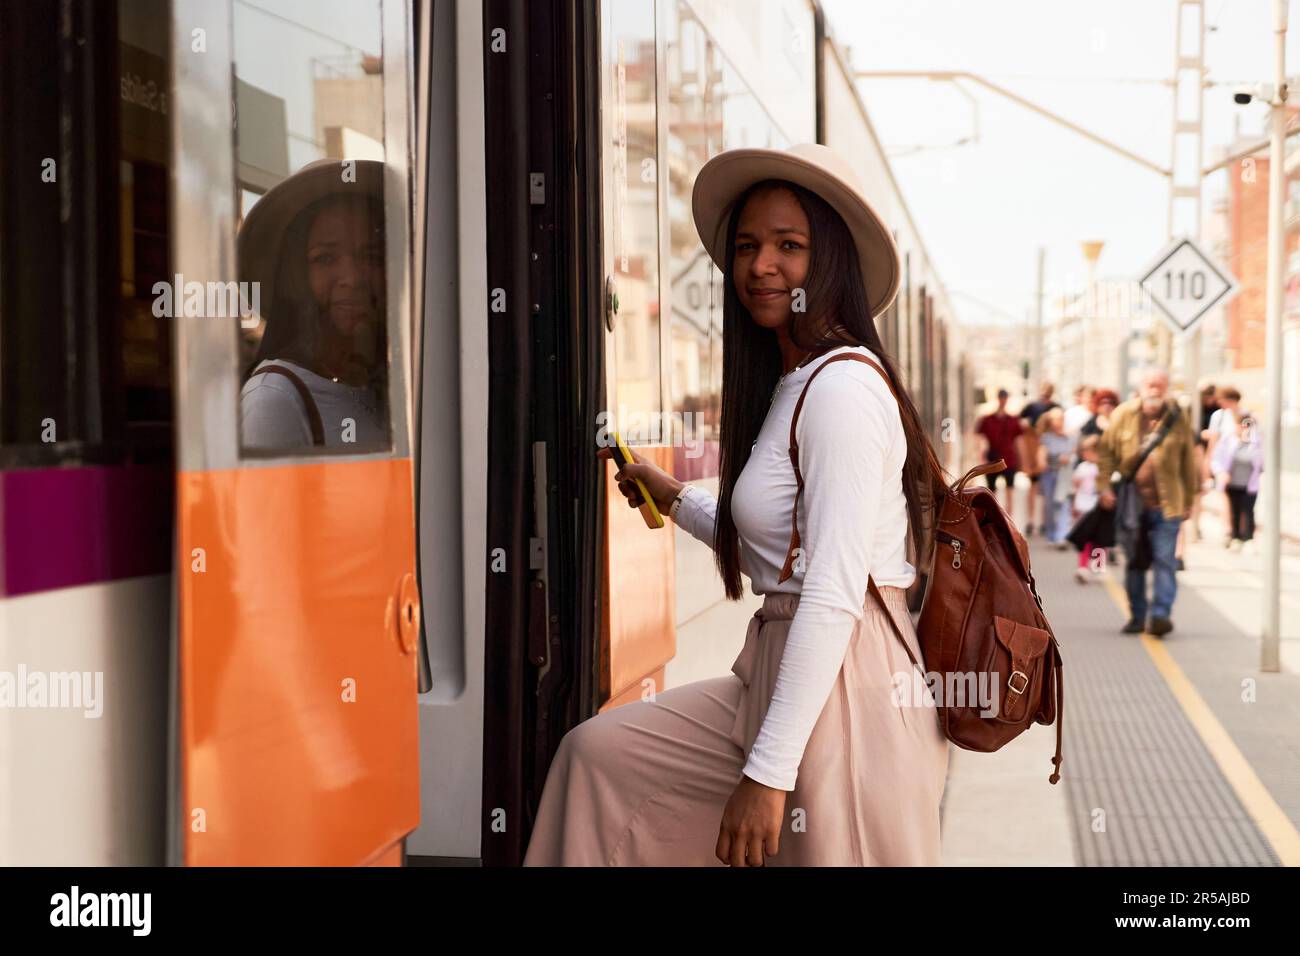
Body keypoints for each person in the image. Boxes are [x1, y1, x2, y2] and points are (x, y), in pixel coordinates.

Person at [522, 143, 950, 867]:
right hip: (782, 670)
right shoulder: (795, 381)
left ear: (833, 262)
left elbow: (833, 591)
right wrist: (677, 497)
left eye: (790, 245)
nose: (760, 266)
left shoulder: (842, 391)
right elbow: (777, 539)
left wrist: (767, 773)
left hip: (847, 684)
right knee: (597, 758)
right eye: (748, 246)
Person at [236, 158, 390, 450]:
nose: (353, 278)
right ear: (297, 278)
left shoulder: (380, 388)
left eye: (371, 257)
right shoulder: (275, 398)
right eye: (326, 258)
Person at [1097, 367, 1199, 637]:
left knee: (1165, 560)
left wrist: (1190, 499)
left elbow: (1189, 461)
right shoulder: (1123, 415)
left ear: (1167, 388)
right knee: (1136, 562)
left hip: (1168, 505)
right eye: (1151, 384)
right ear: (1141, 387)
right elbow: (1106, 453)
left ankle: (1160, 615)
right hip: (1132, 504)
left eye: (1161, 385)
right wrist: (1105, 486)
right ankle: (1138, 615)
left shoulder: (1178, 417)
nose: (1155, 389)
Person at [1213, 414, 1264, 551]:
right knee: (1234, 510)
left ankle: (1248, 538)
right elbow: (1217, 460)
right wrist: (1221, 473)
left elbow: (1262, 463)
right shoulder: (1228, 441)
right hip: (1232, 483)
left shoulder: (1257, 443)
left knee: (1248, 511)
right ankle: (1235, 537)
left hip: (1250, 484)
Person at [1205, 386, 1249, 547]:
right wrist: (1209, 462)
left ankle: (1241, 531)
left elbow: (1248, 439)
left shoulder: (1246, 415)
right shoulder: (1219, 416)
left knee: (1241, 498)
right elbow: (1213, 441)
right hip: (1222, 462)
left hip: (1241, 462)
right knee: (1224, 495)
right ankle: (1228, 530)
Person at [975, 389, 1023, 518]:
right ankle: (994, 517)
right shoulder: (987, 419)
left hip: (1009, 459)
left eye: (1005, 398)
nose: (1003, 401)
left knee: (1010, 491)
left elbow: (1019, 441)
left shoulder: (1013, 420)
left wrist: (1022, 460)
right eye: (1001, 398)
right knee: (991, 491)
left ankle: (1009, 520)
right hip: (993, 458)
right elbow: (980, 439)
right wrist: (981, 457)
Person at [1019, 382, 1059, 534]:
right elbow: (1021, 423)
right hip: (1035, 446)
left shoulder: (1053, 407)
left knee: (1045, 490)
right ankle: (1032, 520)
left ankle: (1041, 521)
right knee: (1036, 487)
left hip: (1047, 448)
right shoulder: (1033, 406)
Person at [1035, 407, 1075, 548]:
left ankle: (1062, 536)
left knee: (1064, 503)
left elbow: (1074, 453)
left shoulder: (1069, 436)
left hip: (1064, 474)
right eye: (1055, 419)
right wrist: (1042, 462)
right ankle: (1051, 534)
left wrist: (1068, 458)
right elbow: (1041, 455)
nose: (1059, 422)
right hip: (1049, 474)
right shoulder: (1046, 438)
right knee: (1050, 506)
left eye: (1061, 418)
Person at [1071, 435, 1102, 583]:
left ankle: (1098, 567)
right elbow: (1076, 486)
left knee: (1099, 540)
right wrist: (1074, 505)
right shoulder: (1082, 467)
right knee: (1084, 540)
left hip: (1099, 509)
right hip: (1084, 507)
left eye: (1087, 451)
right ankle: (1082, 567)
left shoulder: (1104, 468)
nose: (1084, 454)